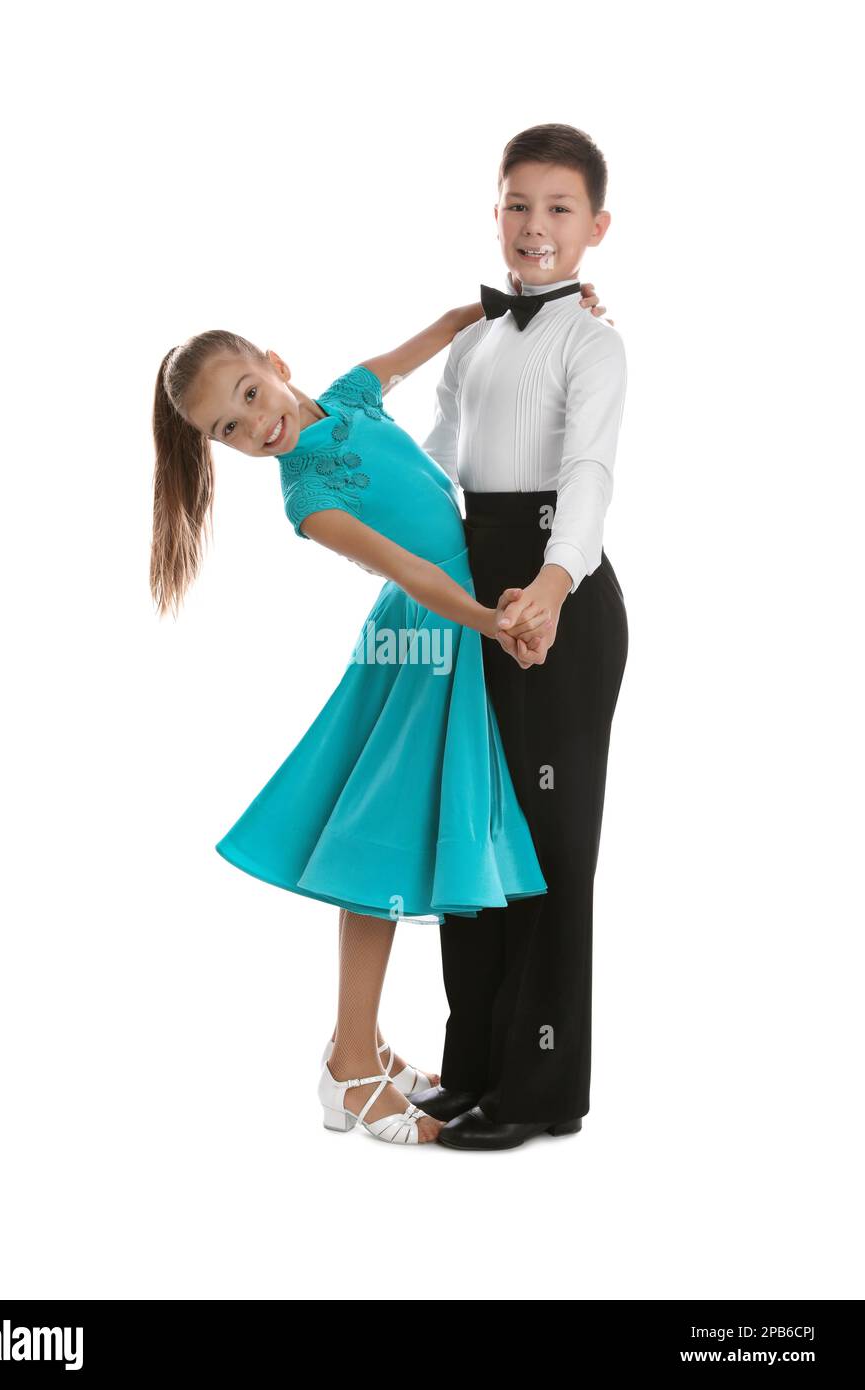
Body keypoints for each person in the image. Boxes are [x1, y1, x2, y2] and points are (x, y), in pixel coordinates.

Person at [148, 289, 607, 1146]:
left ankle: (357, 1048)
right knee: (386, 836)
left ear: (276, 366)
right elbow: (420, 574)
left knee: (409, 828)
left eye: (249, 396)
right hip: (428, 639)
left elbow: (435, 333)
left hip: (452, 630)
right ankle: (351, 1063)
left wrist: (547, 310)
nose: (255, 428)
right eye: (229, 432)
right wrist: (496, 625)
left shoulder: (352, 395)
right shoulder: (307, 497)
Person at [409, 123, 630, 1151]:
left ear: (595, 227)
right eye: (517, 204)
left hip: (558, 594)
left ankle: (540, 1088)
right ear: (494, 210)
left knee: (546, 849)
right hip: (468, 593)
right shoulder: (473, 339)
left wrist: (547, 585)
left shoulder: (595, 340)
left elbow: (587, 472)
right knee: (471, 832)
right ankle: (474, 1070)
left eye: (558, 208)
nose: (535, 226)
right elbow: (432, 464)